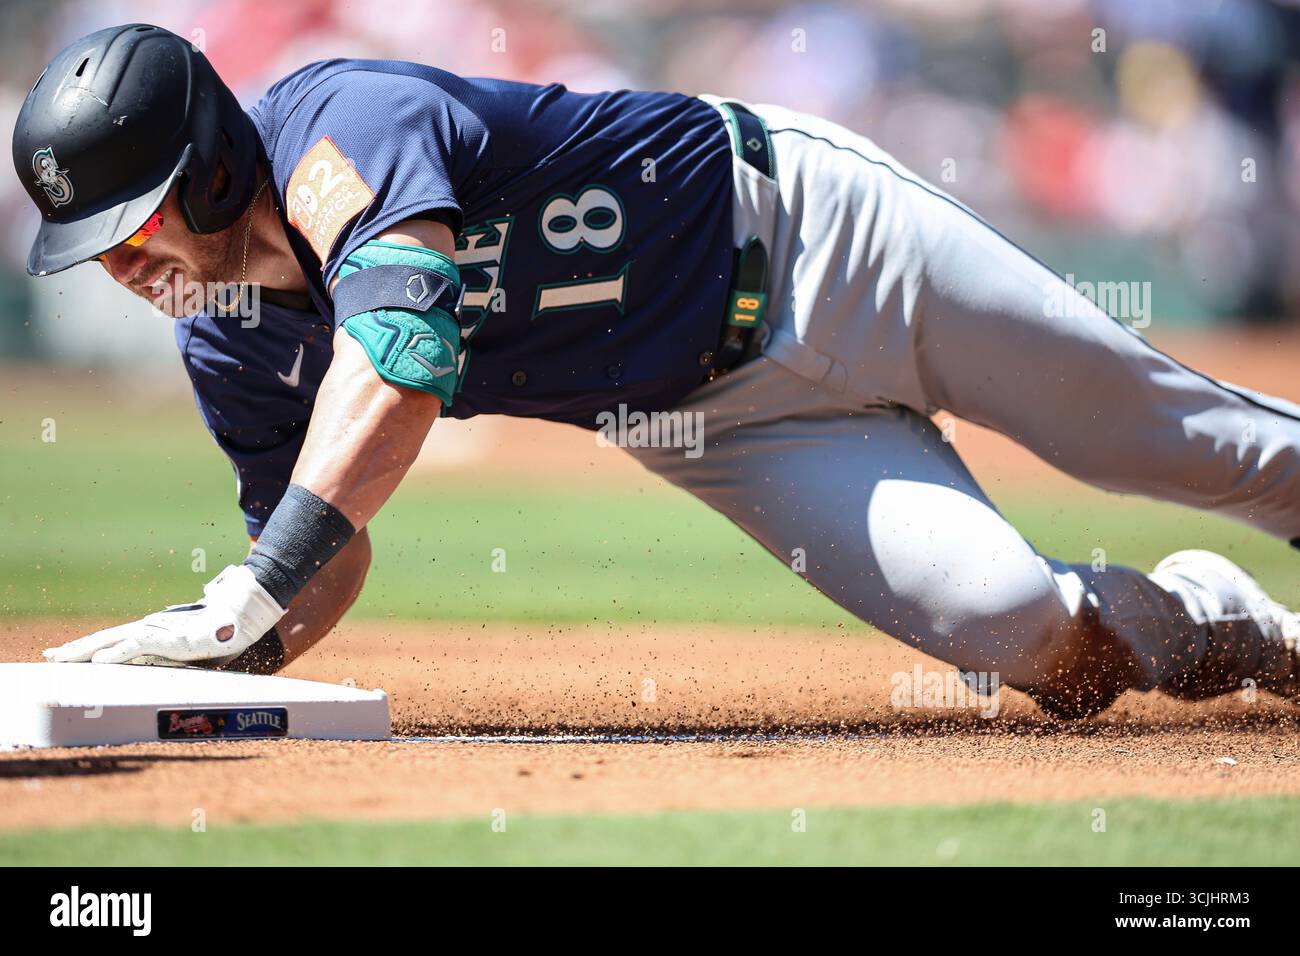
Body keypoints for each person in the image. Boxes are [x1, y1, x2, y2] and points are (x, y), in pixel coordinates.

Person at [15, 23, 1300, 717]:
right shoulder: (225, 341)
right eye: (93, 249)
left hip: (823, 237)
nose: (119, 268)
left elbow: (404, 349)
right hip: (711, 417)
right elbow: (322, 549)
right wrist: (226, 654)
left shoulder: (344, 123)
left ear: (213, 167)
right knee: (1034, 648)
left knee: (1180, 443)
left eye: (132, 228)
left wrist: (255, 586)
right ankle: (1218, 622)